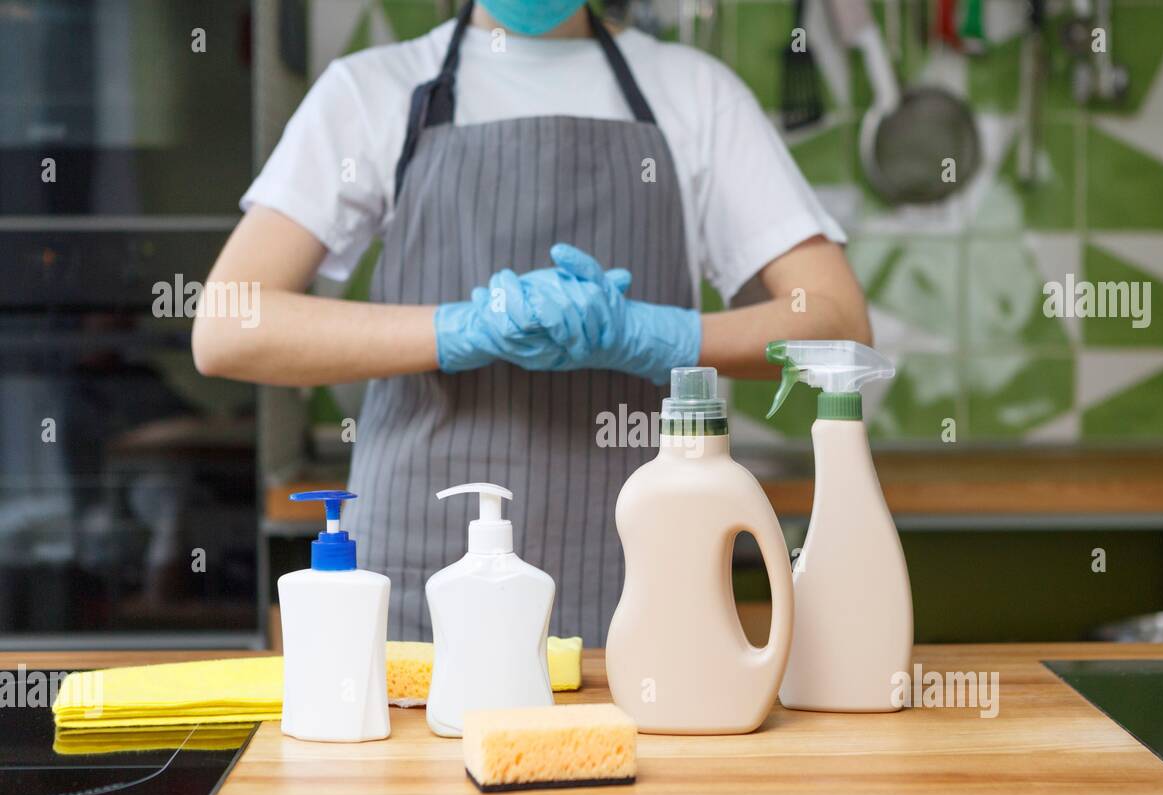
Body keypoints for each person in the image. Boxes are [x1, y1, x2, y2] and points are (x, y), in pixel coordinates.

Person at [193, 0, 870, 644]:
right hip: (420, 579)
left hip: (645, 570)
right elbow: (227, 326)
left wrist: (659, 336)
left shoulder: (697, 95)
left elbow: (837, 323)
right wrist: (459, 329)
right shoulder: (374, 90)